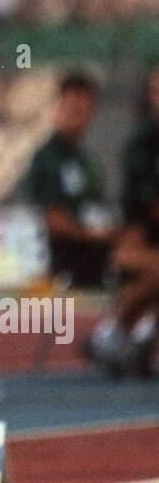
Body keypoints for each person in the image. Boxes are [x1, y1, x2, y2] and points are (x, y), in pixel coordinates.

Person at [89, 66, 159, 376]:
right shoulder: (141, 144)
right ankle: (116, 333)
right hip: (133, 241)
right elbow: (150, 206)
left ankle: (140, 334)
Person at [23, 72, 117, 288]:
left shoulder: (87, 162)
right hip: (61, 263)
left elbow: (95, 208)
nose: (78, 117)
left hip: (93, 257)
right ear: (57, 108)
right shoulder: (47, 158)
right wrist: (94, 236)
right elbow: (52, 221)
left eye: (83, 110)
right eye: (72, 109)